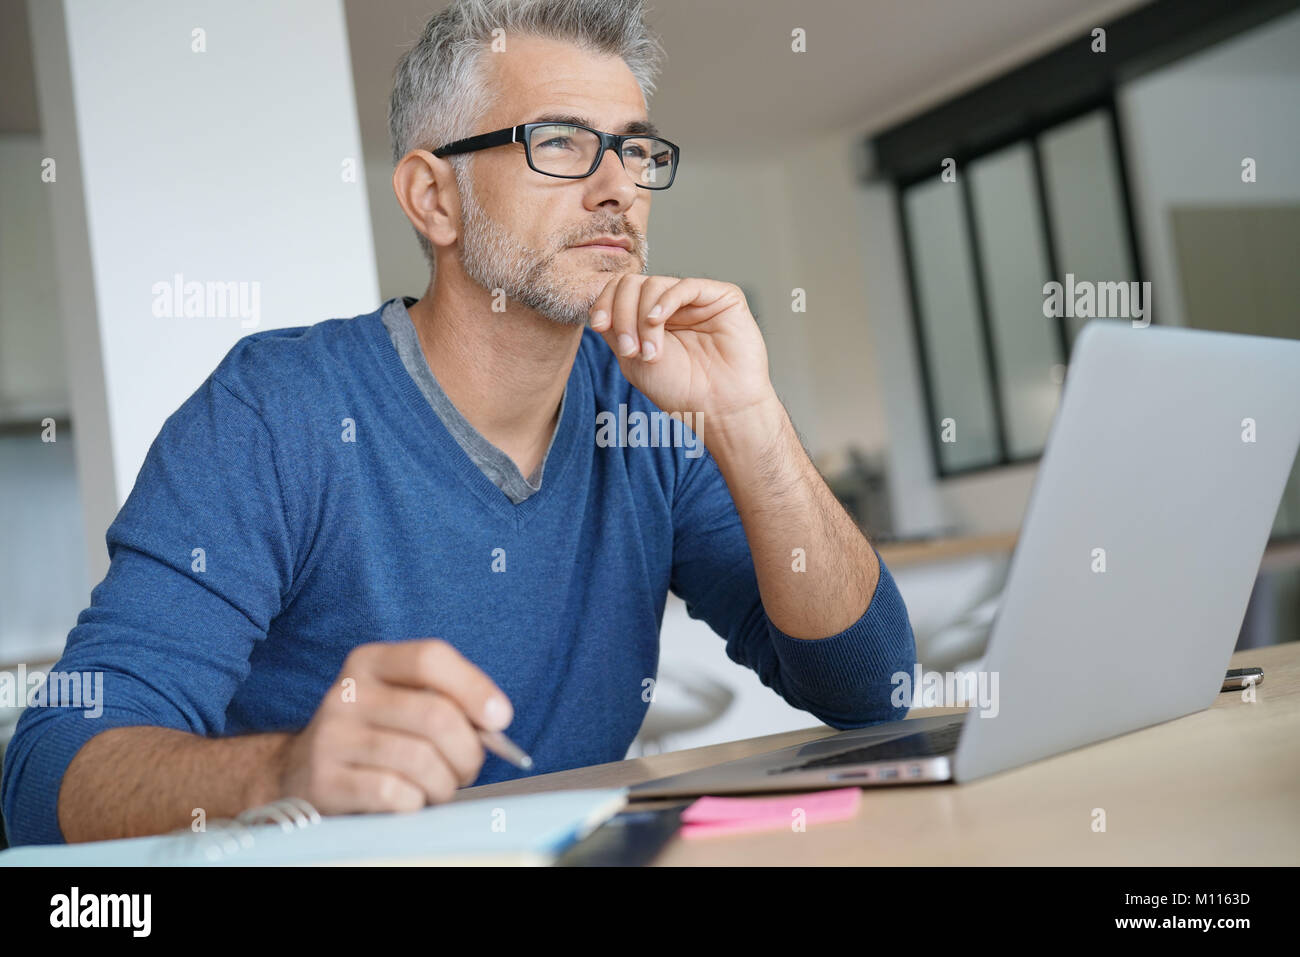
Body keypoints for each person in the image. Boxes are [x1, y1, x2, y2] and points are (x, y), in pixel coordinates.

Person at [1, 0, 915, 846]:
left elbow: (873, 690)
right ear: (433, 199)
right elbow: (44, 780)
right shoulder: (273, 411)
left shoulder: (649, 415)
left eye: (635, 151)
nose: (619, 190)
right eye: (561, 142)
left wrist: (748, 418)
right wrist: (283, 771)